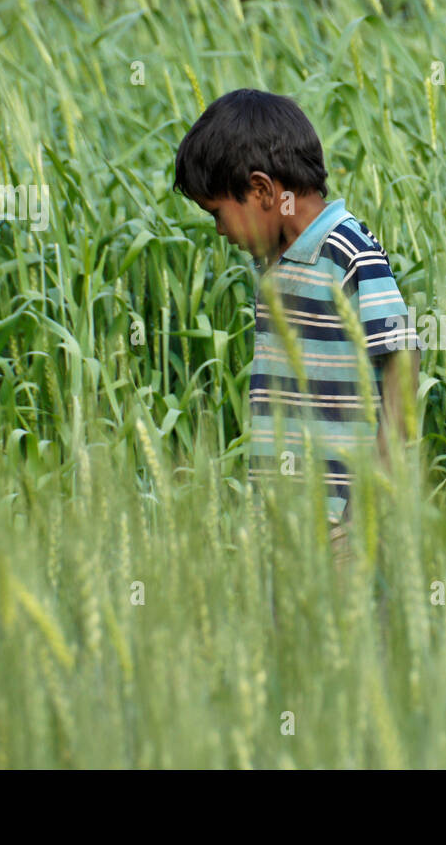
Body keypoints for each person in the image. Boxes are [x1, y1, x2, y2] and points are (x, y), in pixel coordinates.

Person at [173, 88, 415, 559]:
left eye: (217, 214)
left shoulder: (346, 249)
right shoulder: (276, 263)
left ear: (262, 191)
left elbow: (402, 356)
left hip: (343, 523)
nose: (220, 232)